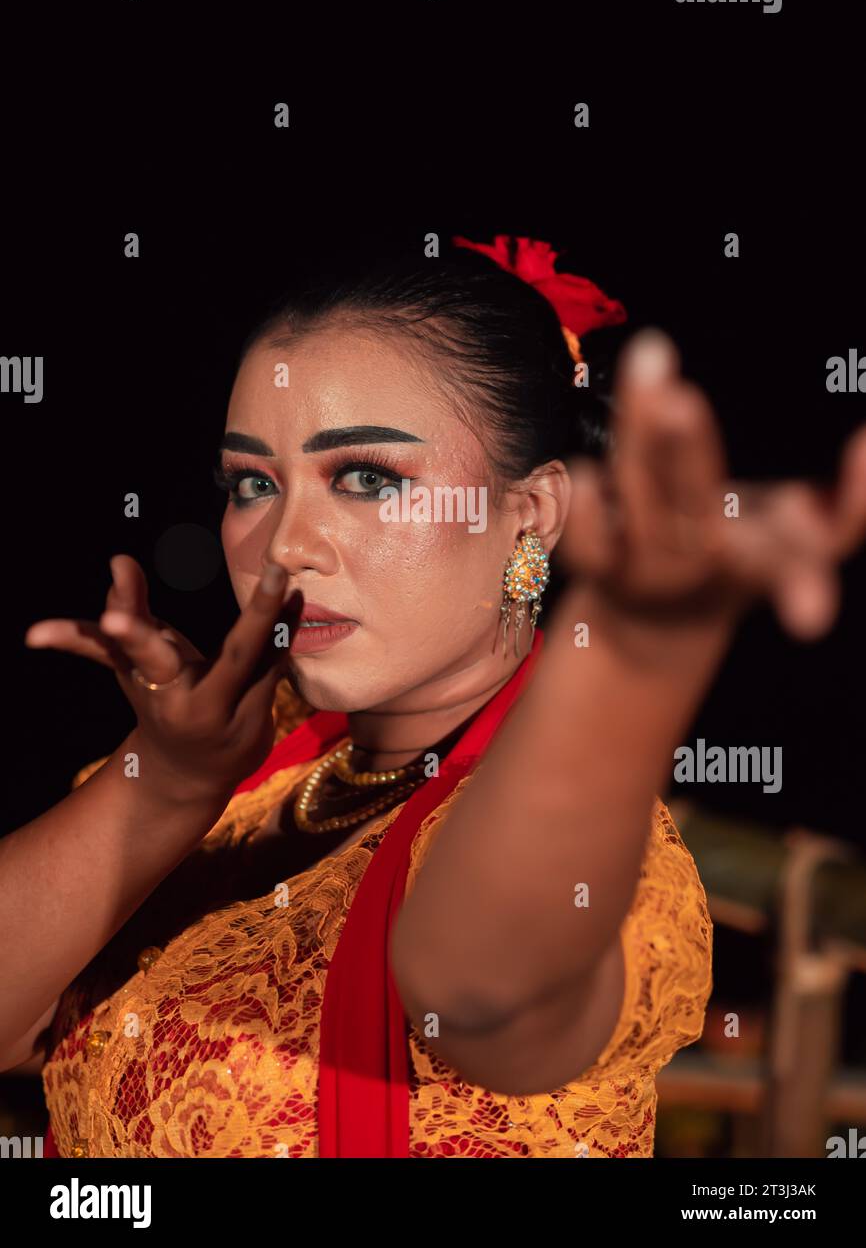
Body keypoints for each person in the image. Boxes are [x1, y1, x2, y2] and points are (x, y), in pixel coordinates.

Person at [5, 234, 865, 1158]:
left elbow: (478, 987)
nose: (286, 544)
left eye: (366, 478)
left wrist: (634, 654)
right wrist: (168, 782)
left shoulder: (589, 863)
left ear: (530, 515)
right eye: (252, 482)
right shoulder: (249, 773)